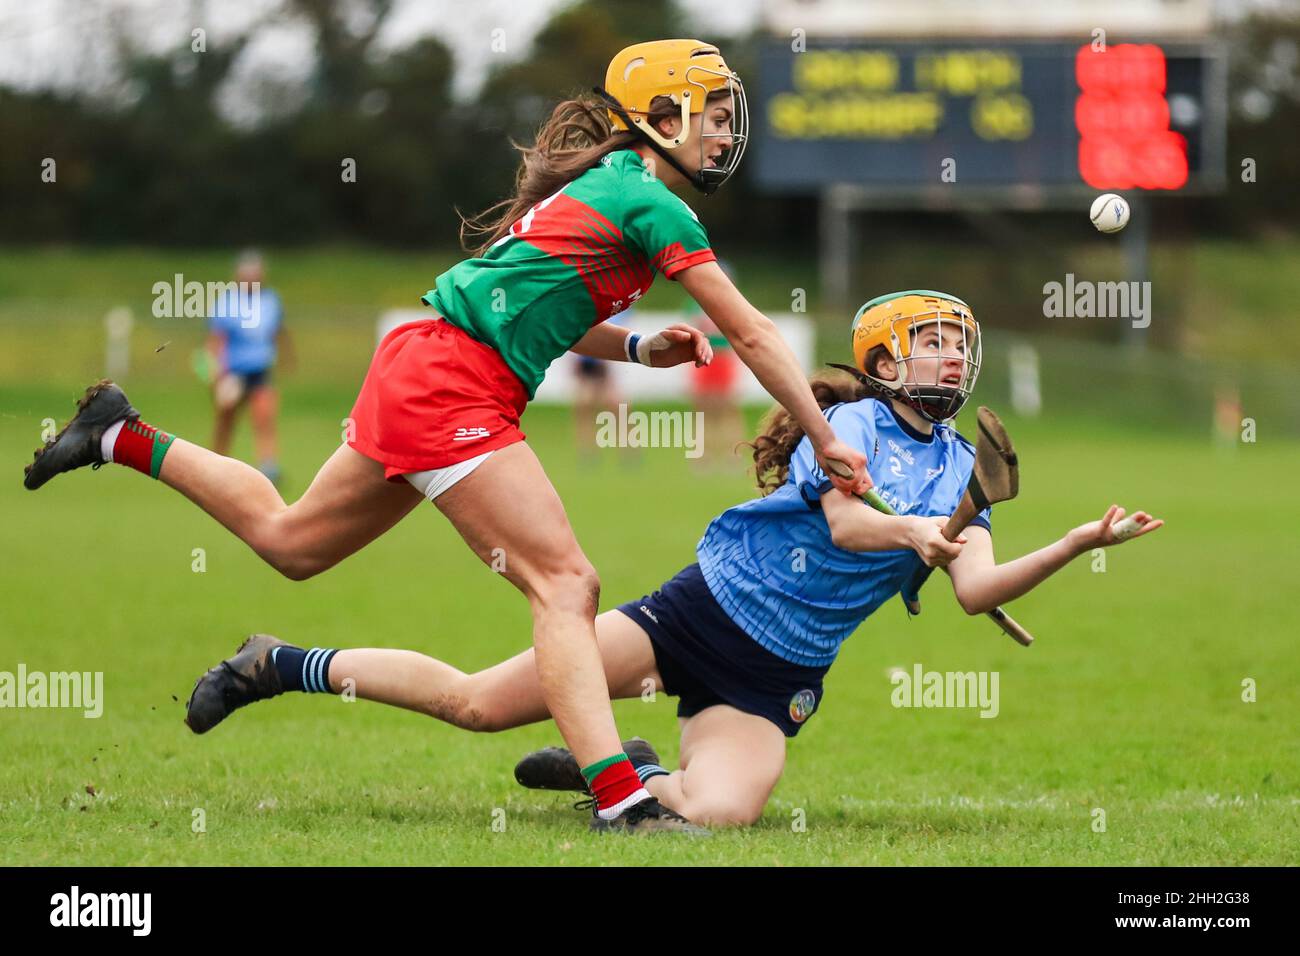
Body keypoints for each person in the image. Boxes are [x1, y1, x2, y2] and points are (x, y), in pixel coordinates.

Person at [20, 39, 868, 834]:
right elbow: (752, 333)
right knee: (566, 582)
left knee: (291, 543)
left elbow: (535, 308)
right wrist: (825, 435)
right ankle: (620, 797)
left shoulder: (609, 184)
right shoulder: (648, 203)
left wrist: (639, 346)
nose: (725, 132)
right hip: (451, 384)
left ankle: (119, 437)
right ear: (664, 116)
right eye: (712, 114)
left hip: (431, 365)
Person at [175, 290, 1162, 828]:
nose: (953, 357)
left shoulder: (961, 471)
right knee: (475, 702)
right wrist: (914, 531)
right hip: (694, 616)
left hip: (776, 675)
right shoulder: (848, 424)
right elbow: (854, 529)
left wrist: (1077, 541)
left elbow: (975, 587)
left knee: (723, 813)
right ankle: (279, 661)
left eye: (960, 344)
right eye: (933, 342)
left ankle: (629, 770)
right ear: (882, 359)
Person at [206, 250, 293, 484]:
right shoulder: (227, 301)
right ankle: (214, 465)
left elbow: (278, 332)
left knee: (264, 417)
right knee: (226, 421)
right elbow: (217, 340)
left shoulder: (271, 300)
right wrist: (216, 371)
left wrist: (285, 357)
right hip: (233, 372)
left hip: (260, 370)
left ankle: (269, 467)